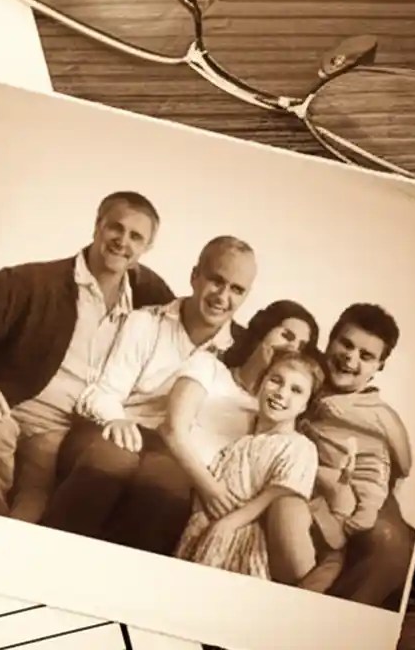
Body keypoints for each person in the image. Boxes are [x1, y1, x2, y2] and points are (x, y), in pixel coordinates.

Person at [0, 191, 175, 520]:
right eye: (116, 228)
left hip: (58, 435)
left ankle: (12, 522)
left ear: (146, 248)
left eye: (136, 236)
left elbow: (196, 323)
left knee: (35, 505)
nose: (122, 241)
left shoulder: (147, 298)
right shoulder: (35, 283)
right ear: (97, 227)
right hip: (1, 410)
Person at [37, 235, 257, 553]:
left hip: (170, 451)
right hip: (110, 431)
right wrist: (118, 420)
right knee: (113, 461)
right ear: (195, 275)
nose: (223, 296)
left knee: (166, 484)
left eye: (237, 289)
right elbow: (102, 393)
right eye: (216, 281)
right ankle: (46, 555)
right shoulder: (147, 323)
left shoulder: (240, 352)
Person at [110, 299, 320, 554]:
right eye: (286, 335)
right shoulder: (209, 366)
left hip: (209, 496)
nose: (291, 346)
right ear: (264, 329)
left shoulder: (272, 411)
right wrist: (210, 488)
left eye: (301, 346)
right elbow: (172, 430)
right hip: (173, 463)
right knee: (164, 484)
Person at [263, 303, 415, 608]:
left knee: (390, 542)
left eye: (366, 356)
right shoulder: (301, 376)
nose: (350, 357)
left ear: (379, 366)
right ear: (330, 341)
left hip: (356, 490)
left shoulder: (377, 415)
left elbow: (404, 464)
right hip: (303, 490)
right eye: (345, 344)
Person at [174, 349, 324, 580]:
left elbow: (275, 492)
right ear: (261, 383)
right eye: (275, 380)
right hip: (207, 529)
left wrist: (229, 523)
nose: (281, 393)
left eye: (296, 390)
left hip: (246, 536)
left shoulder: (299, 446)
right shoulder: (240, 439)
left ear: (305, 405)